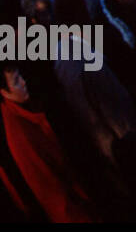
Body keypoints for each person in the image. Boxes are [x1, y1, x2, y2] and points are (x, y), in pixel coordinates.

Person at [0, 63, 98, 222]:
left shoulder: (23, 115)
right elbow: (49, 190)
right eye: (17, 81)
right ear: (4, 93)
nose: (24, 82)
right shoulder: (20, 131)